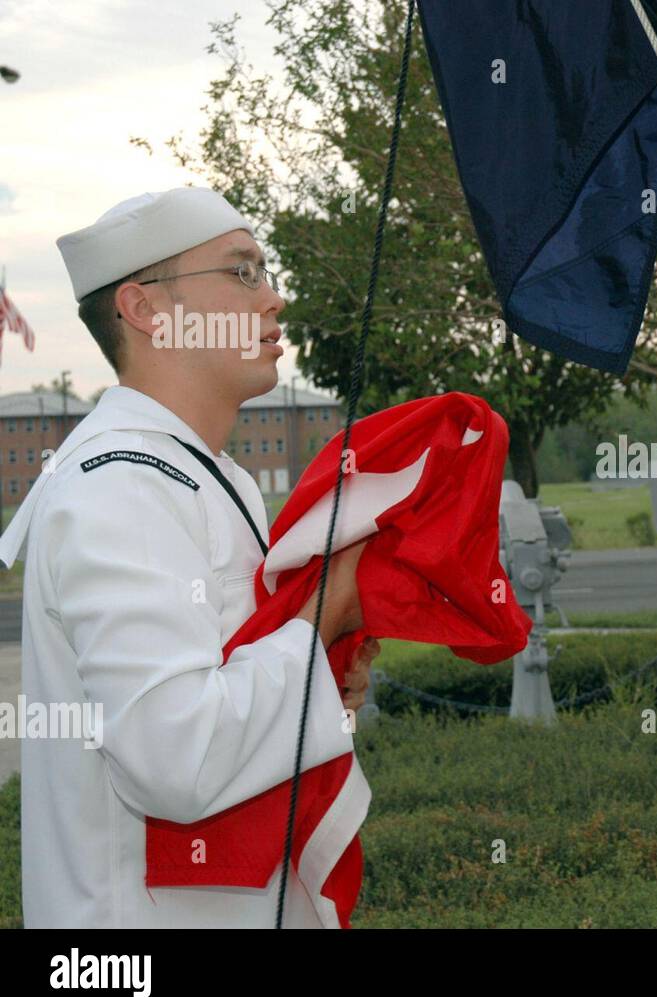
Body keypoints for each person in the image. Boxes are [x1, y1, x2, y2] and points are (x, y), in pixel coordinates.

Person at [0, 187, 376, 928]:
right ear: (146, 310)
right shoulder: (119, 486)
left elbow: (224, 684)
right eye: (242, 273)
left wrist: (320, 664)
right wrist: (324, 610)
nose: (275, 301)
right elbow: (177, 757)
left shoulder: (206, 475)